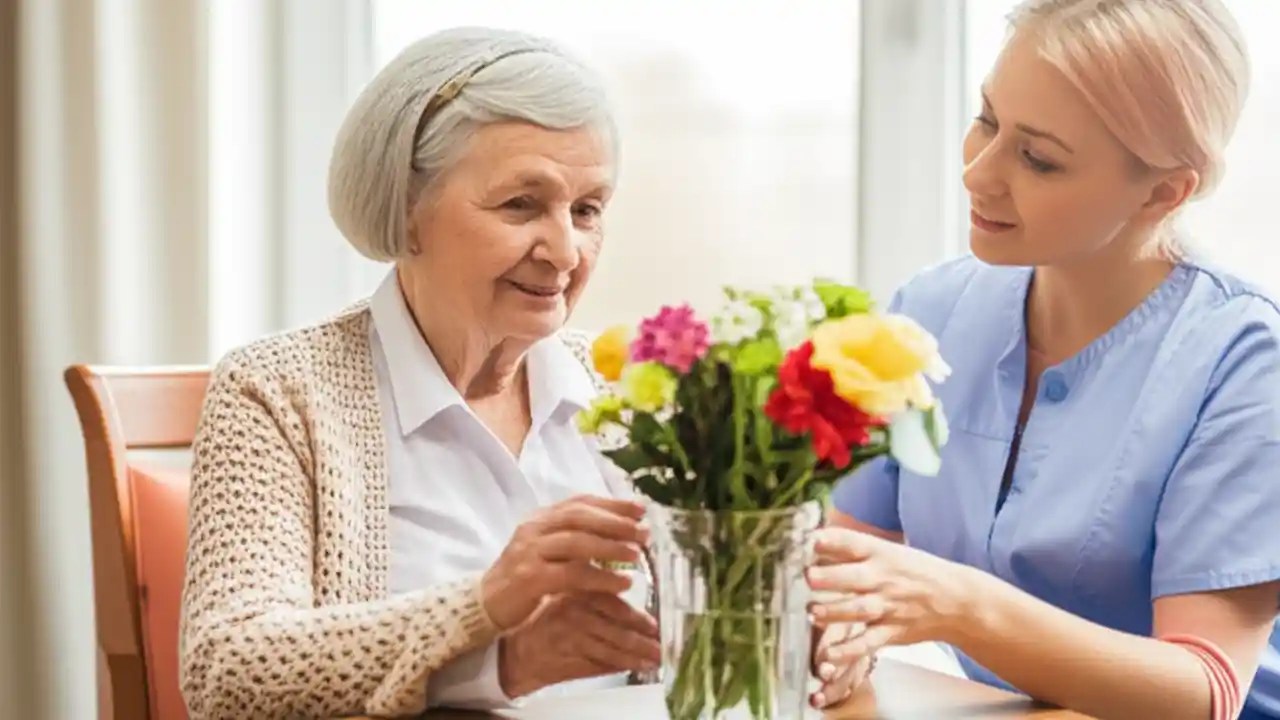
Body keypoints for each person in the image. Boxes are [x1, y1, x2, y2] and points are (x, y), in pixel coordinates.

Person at [807, 1, 1280, 719]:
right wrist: (834, 635)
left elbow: (1206, 691)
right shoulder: (928, 311)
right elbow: (846, 569)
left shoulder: (1244, 364)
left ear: (1164, 191)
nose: (978, 173)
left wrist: (959, 605)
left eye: (1038, 158)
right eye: (988, 119)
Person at [179, 27, 667, 719]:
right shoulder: (276, 390)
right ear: (407, 211)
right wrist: (492, 630)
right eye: (521, 204)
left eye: (587, 210)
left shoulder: (625, 389)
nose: (564, 251)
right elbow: (227, 668)